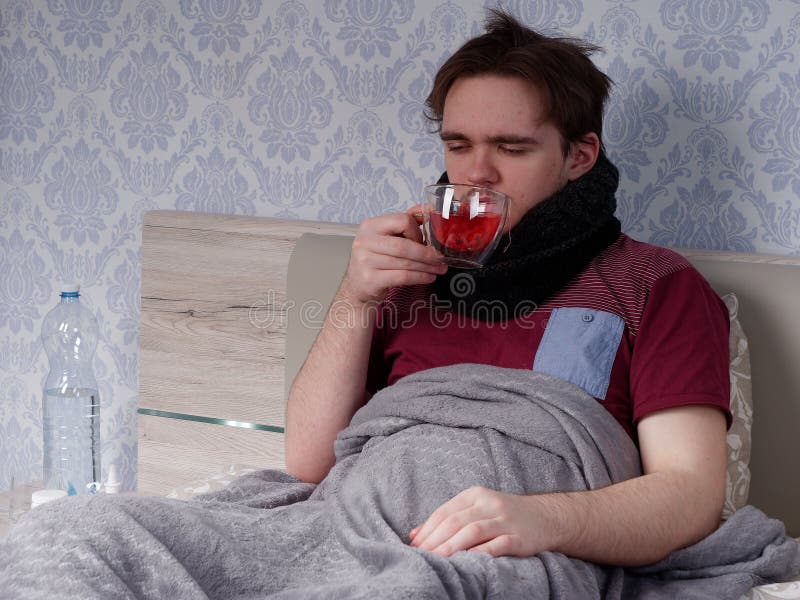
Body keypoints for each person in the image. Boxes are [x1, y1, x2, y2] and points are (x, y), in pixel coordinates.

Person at [285, 10, 730, 567]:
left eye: (511, 148)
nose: (477, 174)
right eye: (458, 145)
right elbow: (307, 464)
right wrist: (355, 296)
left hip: (508, 555)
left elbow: (690, 497)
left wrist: (541, 518)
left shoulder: (655, 283)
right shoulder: (405, 272)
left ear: (578, 156)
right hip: (358, 526)